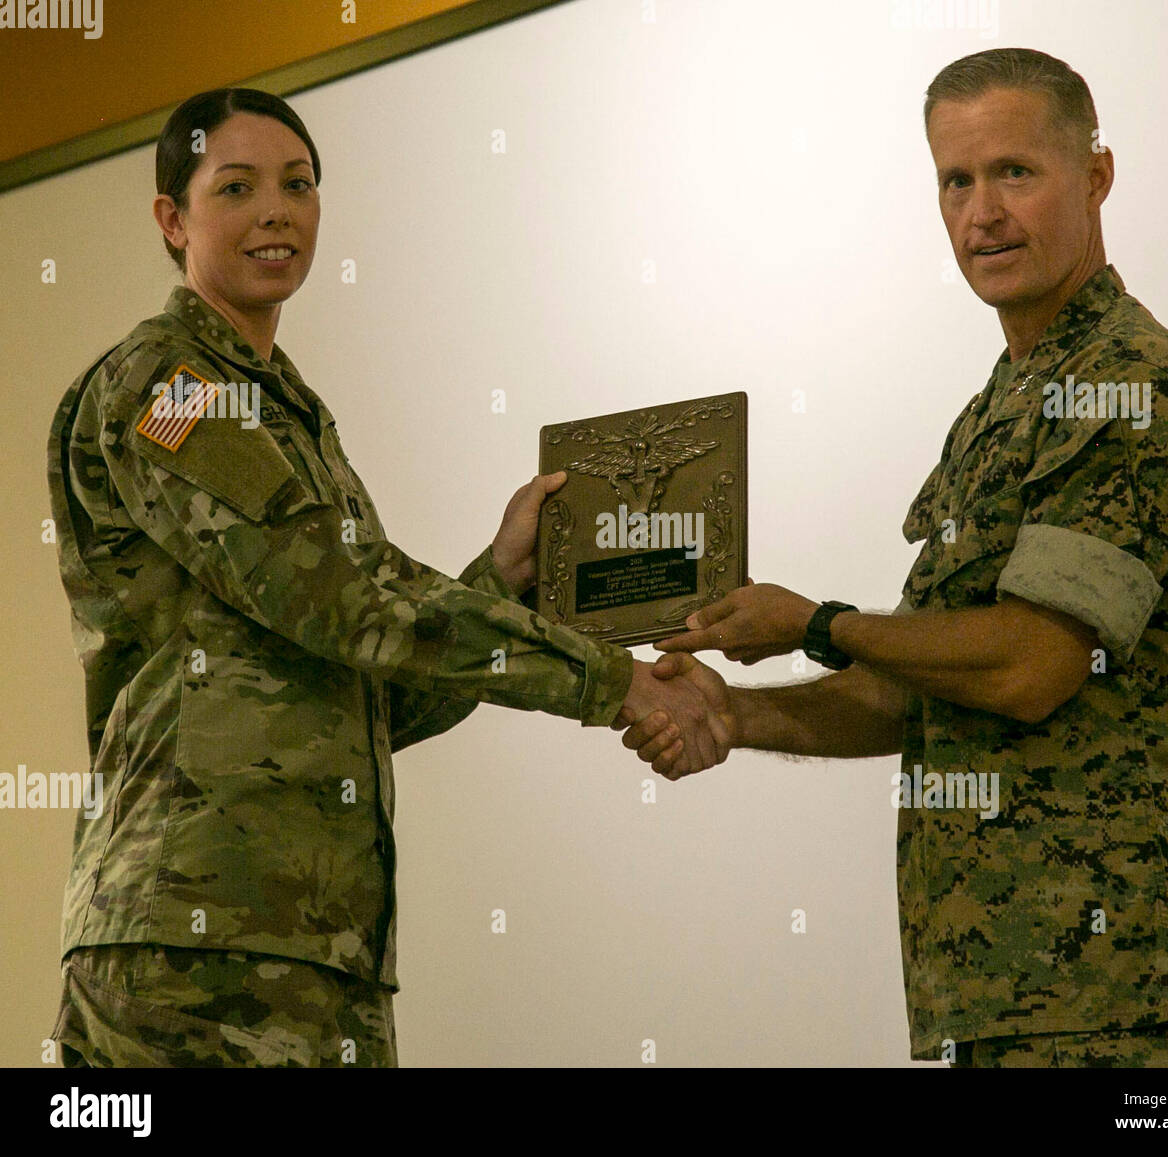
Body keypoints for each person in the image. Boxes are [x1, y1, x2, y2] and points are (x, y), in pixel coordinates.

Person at [46, 87, 721, 1068]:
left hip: (308, 947)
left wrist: (502, 576)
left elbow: (364, 698)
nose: (276, 209)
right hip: (190, 950)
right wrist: (611, 680)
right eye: (236, 186)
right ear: (172, 219)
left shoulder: (288, 413)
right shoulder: (173, 390)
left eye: (298, 184)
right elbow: (343, 596)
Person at [624, 48, 1168, 1068]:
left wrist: (816, 622)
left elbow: (1028, 665)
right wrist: (733, 714)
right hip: (1005, 991)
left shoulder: (1131, 386)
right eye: (954, 181)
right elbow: (919, 688)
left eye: (1016, 171)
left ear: (1095, 177)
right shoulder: (999, 410)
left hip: (1123, 996)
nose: (983, 213)